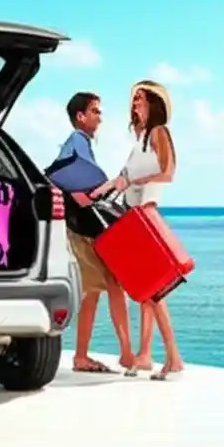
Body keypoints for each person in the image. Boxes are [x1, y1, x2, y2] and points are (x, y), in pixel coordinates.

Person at [92, 80, 184, 380]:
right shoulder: (140, 139)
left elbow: (168, 173)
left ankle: (174, 358)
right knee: (147, 291)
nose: (135, 103)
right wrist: (99, 191)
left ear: (154, 103)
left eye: (140, 98)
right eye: (133, 98)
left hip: (147, 215)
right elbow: (122, 178)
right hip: (133, 216)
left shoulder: (159, 133)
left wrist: (134, 182)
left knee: (152, 289)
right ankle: (146, 355)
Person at [50, 91, 135, 373]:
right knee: (113, 284)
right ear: (80, 116)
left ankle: (82, 356)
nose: (100, 117)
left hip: (78, 227)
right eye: (95, 111)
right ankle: (126, 353)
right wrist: (113, 184)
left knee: (93, 291)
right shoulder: (77, 141)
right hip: (82, 229)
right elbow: (82, 193)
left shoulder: (77, 144)